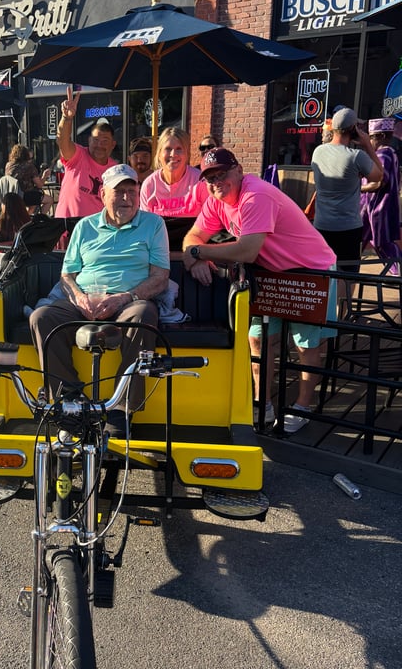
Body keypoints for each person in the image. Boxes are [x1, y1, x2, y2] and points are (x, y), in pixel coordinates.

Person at [182, 147, 337, 434]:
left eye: (222, 174)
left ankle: (302, 406)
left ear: (239, 170)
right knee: (258, 341)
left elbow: (248, 250)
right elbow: (193, 236)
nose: (217, 182)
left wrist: (197, 253)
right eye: (210, 178)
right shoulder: (217, 200)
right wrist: (195, 259)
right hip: (269, 273)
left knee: (306, 344)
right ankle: (261, 402)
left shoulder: (256, 194)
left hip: (309, 270)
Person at [30, 164, 170, 438]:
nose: (127, 198)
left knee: (144, 316)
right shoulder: (85, 226)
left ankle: (120, 407)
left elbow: (161, 277)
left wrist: (124, 297)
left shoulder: (154, 225)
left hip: (129, 301)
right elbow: (67, 274)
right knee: (41, 318)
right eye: (119, 192)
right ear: (103, 194)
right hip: (85, 300)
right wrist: (79, 297)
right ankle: (69, 400)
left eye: (132, 191)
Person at [310, 107, 383, 276]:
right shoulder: (356, 156)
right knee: (347, 275)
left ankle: (328, 302)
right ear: (354, 130)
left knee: (323, 271)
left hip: (322, 224)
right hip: (348, 227)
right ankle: (342, 304)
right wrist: (368, 146)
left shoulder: (318, 152)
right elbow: (379, 176)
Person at [55, 86, 118, 218]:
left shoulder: (115, 171)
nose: (99, 145)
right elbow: (62, 140)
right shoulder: (78, 156)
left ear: (113, 145)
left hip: (97, 234)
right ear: (89, 140)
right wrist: (67, 118)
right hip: (67, 231)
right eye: (95, 140)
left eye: (105, 141)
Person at [361, 117, 402, 275]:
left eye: (372, 138)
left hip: (378, 209)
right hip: (372, 209)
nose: (370, 142)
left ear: (383, 136)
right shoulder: (391, 153)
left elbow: (379, 182)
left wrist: (358, 188)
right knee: (374, 242)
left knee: (382, 243)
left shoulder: (383, 153)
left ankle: (398, 273)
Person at [140, 127, 209, 217]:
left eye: (179, 149)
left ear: (187, 154)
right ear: (159, 154)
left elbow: (211, 220)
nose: (173, 154)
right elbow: (145, 225)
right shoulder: (149, 185)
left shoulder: (200, 181)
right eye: (168, 149)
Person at [4, 144, 53, 213]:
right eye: (30, 158)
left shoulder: (8, 165)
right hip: (24, 196)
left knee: (33, 204)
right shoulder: (29, 167)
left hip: (11, 196)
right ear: (25, 156)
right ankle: (38, 221)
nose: (31, 160)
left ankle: (27, 220)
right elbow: (40, 185)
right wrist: (45, 176)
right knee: (49, 200)